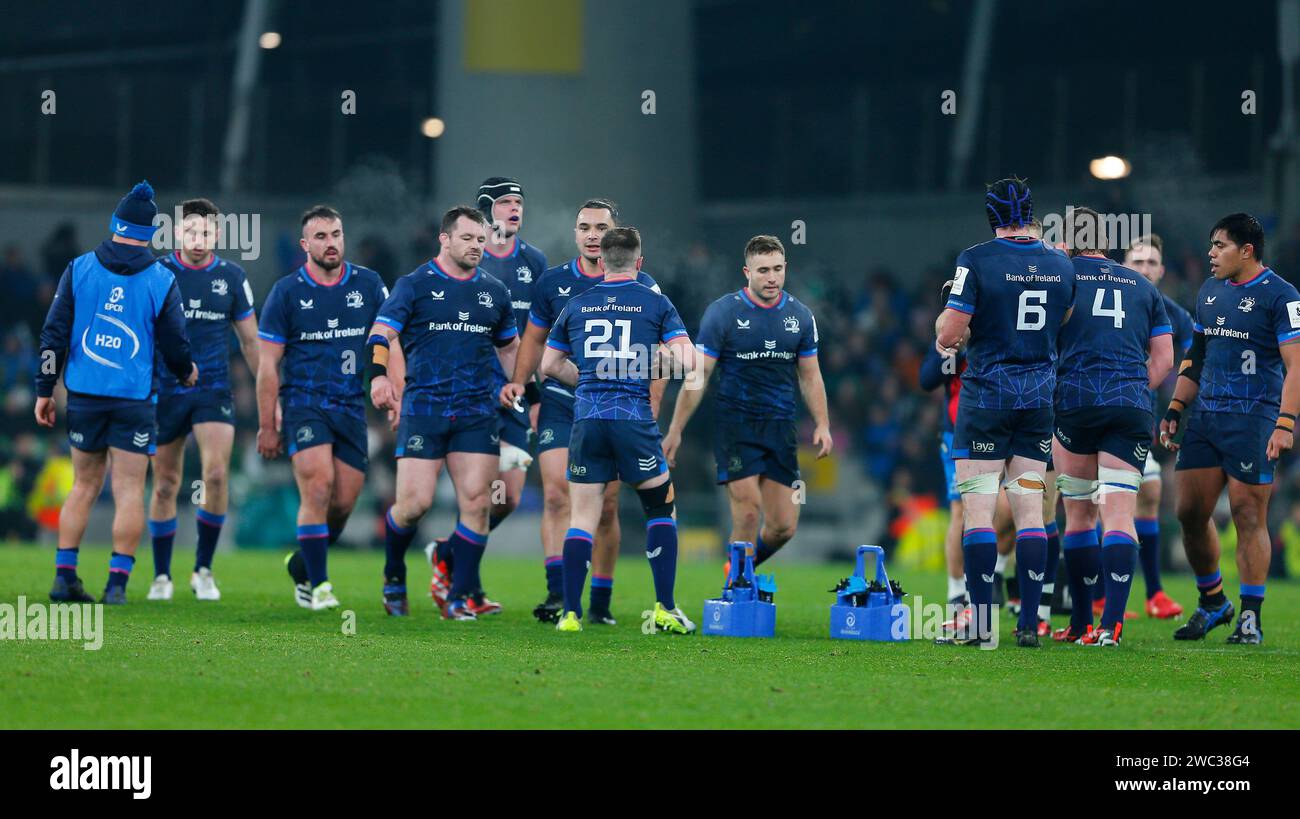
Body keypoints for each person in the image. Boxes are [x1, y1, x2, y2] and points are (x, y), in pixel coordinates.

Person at [500, 199, 665, 625]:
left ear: (614, 234)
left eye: (600, 228)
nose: (592, 235)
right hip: (560, 400)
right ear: (575, 233)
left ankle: (600, 602)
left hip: (619, 405)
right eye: (584, 227)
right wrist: (525, 388)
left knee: (606, 505)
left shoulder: (644, 286)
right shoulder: (554, 283)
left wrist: (653, 400)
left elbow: (660, 350)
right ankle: (559, 592)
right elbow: (533, 340)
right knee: (558, 494)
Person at [36, 181, 197, 604]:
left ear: (114, 224)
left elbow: (53, 335)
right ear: (150, 234)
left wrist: (44, 389)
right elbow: (176, 343)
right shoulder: (162, 279)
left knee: (83, 486)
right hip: (134, 398)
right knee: (128, 490)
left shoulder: (79, 268)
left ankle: (64, 579)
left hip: (84, 395)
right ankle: (117, 585)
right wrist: (186, 372)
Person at [934, 176, 1075, 647]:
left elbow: (950, 335)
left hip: (986, 399)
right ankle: (1030, 622)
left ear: (990, 215)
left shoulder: (975, 260)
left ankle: (980, 623)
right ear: (1031, 212)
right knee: (1031, 512)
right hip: (1038, 399)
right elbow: (1064, 320)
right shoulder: (1060, 262)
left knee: (978, 514)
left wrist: (950, 313)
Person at [539, 226, 699, 633]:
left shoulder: (576, 303)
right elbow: (689, 361)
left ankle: (570, 614)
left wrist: (589, 377)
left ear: (601, 262)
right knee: (660, 506)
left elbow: (548, 366)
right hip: (632, 419)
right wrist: (645, 366)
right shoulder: (656, 302)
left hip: (587, 419)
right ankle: (665, 608)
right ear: (639, 262)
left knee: (582, 516)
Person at [369, 206, 519, 620]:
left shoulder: (494, 291)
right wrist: (379, 377)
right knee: (414, 505)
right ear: (445, 239)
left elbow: (509, 347)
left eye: (481, 240)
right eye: (467, 238)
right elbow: (381, 333)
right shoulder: (414, 284)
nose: (476, 246)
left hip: (477, 411)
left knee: (477, 502)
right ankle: (394, 572)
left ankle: (457, 596)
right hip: (424, 408)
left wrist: (523, 388)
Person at [1161, 213, 1299, 644]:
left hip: (1255, 418)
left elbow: (1296, 364)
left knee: (1247, 514)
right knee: (1188, 513)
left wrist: (1285, 423)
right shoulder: (1209, 291)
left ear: (1247, 250)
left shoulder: (1282, 296)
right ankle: (1213, 601)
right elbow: (1196, 355)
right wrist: (1176, 407)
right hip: (1205, 417)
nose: (1211, 253)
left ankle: (1250, 617)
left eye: (1220, 245)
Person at [661, 235, 831, 573]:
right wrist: (676, 429)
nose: (772, 277)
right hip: (735, 427)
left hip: (780, 429)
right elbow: (699, 376)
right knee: (749, 511)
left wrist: (823, 424)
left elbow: (811, 376)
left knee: (783, 527)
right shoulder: (723, 313)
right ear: (747, 272)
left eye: (777, 269)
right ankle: (736, 588)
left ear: (785, 268)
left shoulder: (800, 316)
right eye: (763, 270)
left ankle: (738, 570)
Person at [1051, 207, 1173, 646]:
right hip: (1130, 406)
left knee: (1080, 515)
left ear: (1067, 242)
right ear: (1106, 241)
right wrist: (1133, 390)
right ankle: (1112, 626)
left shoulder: (1060, 279)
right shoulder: (1143, 285)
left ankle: (1081, 621)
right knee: (1120, 513)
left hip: (1076, 404)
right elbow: (1164, 359)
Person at [423, 178, 546, 616]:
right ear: (485, 208)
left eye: (520, 202)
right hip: (469, 396)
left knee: (505, 497)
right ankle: (467, 589)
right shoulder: (464, 259)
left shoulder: (534, 262)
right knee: (477, 495)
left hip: (513, 394)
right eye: (506, 202)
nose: (515, 209)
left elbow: (535, 335)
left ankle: (448, 553)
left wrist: (534, 395)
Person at [256, 205, 388, 611]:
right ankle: (320, 585)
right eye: (321, 237)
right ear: (305, 245)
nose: (331, 243)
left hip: (351, 408)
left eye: (336, 235)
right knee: (318, 486)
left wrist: (393, 387)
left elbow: (389, 339)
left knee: (343, 504)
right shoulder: (286, 292)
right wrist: (267, 424)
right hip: (304, 404)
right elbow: (267, 366)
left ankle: (302, 564)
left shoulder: (369, 285)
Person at [146, 198, 260, 602]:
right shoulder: (158, 273)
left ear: (218, 234)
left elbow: (250, 341)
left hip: (213, 389)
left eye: (206, 232)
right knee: (165, 484)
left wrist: (269, 392)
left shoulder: (232, 277)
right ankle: (162, 575)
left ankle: (203, 569)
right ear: (178, 232)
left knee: (215, 476)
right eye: (191, 231)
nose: (198, 239)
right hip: (166, 389)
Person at [1122, 233, 1192, 618]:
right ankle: (1089, 595)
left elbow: (1197, 349)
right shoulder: (1108, 300)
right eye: (1137, 261)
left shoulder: (1169, 312)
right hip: (1092, 415)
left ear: (1162, 270)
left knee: (1148, 490)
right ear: (1124, 266)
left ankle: (1153, 594)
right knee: (1093, 503)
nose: (1144, 269)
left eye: (1151, 263)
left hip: (1136, 419)